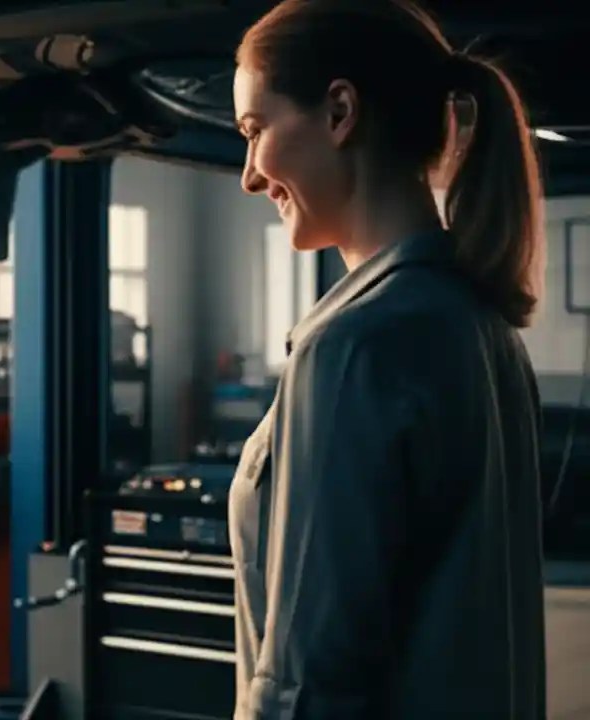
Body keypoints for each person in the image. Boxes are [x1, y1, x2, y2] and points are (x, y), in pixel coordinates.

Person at [228, 0, 545, 717]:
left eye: (256, 131)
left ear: (339, 111)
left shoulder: (350, 346)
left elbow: (309, 685)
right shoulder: (482, 326)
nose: (249, 174)